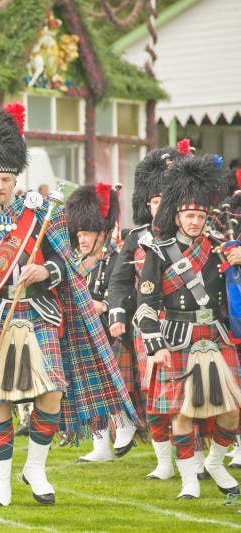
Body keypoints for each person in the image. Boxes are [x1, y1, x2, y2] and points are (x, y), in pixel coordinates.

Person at [0, 103, 139, 507]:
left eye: (6, 179)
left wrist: (44, 273)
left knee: (50, 393)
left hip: (40, 315)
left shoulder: (39, 213)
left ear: (16, 178)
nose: (0, 186)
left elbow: (64, 263)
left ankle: (35, 467)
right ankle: (0, 484)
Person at [135, 153, 241, 500]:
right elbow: (146, 304)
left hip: (216, 337)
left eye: (200, 216)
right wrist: (155, 344)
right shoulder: (159, 251)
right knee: (182, 414)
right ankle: (188, 481)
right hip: (178, 338)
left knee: (232, 413)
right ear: (176, 216)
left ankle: (214, 462)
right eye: (189, 216)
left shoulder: (218, 249)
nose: (195, 222)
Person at [107, 147, 182, 480]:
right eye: (154, 201)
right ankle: (164, 462)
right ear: (147, 204)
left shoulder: (188, 237)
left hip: (186, 323)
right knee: (155, 395)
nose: (159, 207)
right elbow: (120, 281)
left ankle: (193, 460)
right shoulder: (136, 238)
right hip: (147, 324)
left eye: (164, 200)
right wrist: (117, 314)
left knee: (188, 394)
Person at [66, 183, 138, 462]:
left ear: (103, 233)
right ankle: (100, 447)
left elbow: (128, 292)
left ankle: (124, 424)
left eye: (88, 233)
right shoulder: (74, 261)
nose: (82, 239)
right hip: (82, 332)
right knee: (89, 390)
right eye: (80, 233)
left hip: (112, 330)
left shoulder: (116, 257)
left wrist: (105, 306)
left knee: (113, 384)